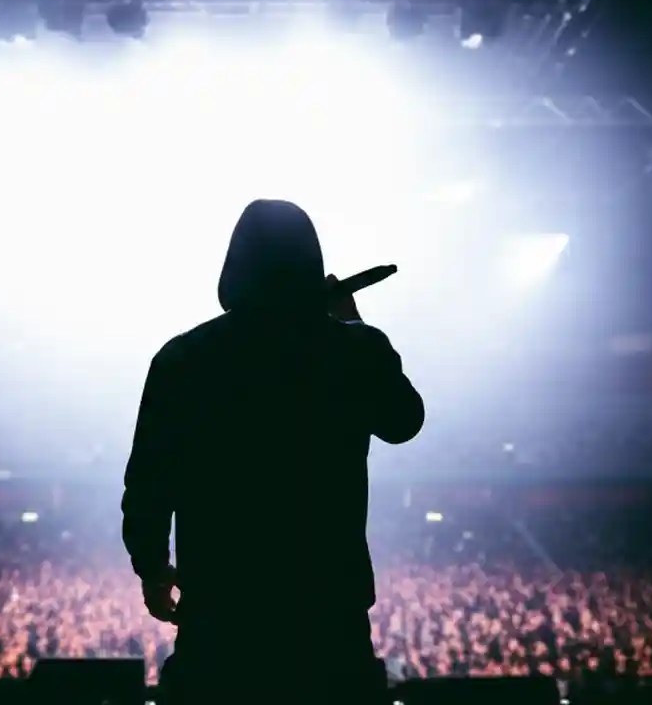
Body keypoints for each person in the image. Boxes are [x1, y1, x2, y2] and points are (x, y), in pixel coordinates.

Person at [121, 199, 425, 704]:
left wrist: (152, 566)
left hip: (221, 617)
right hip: (330, 618)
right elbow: (403, 422)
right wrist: (352, 326)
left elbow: (149, 483)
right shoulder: (351, 352)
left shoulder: (184, 359)